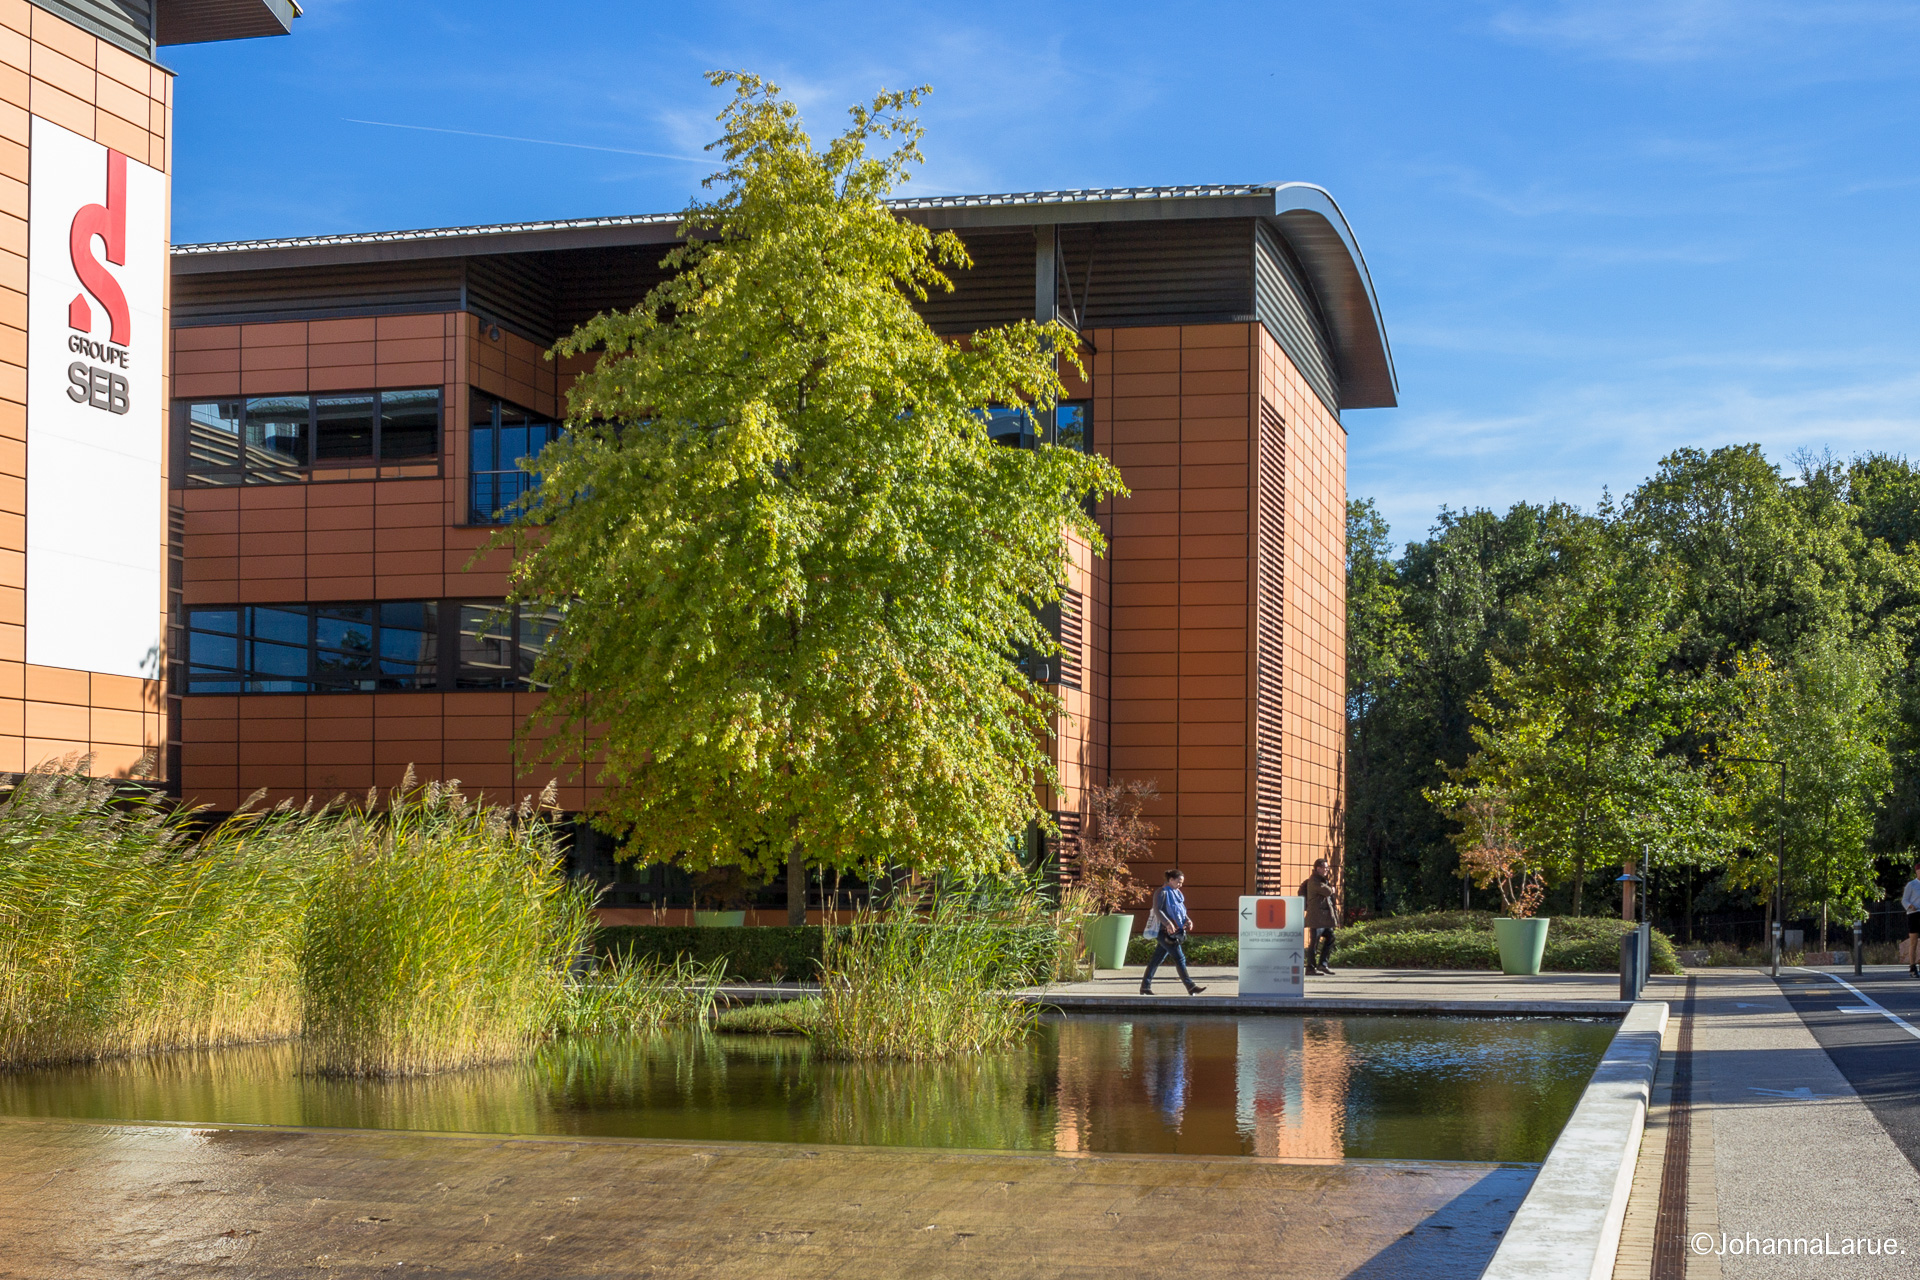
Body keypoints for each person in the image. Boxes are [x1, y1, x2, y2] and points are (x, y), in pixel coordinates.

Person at [1140, 868, 1207, 996]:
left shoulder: (1177, 893)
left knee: (1156, 960)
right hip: (1164, 931)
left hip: (1174, 931)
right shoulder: (1161, 892)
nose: (1180, 885)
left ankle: (1145, 987)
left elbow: (1181, 910)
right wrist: (1167, 923)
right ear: (1171, 880)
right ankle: (1191, 986)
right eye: (1179, 882)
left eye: (1182, 882)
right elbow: (1157, 909)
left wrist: (1187, 920)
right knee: (1180, 958)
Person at [1301, 858, 1340, 976]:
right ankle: (1310, 968)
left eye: (1327, 868)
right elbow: (1327, 891)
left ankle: (1323, 964)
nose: (1327, 870)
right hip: (1316, 918)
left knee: (1331, 937)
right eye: (1325, 868)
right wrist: (1331, 889)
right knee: (1314, 944)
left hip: (1323, 919)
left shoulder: (1321, 880)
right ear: (1318, 868)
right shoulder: (1314, 881)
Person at [1903, 861, 1920, 979]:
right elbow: (1904, 899)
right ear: (1916, 872)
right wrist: (1910, 906)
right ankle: (1913, 966)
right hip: (1914, 914)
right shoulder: (1912, 885)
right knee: (1914, 941)